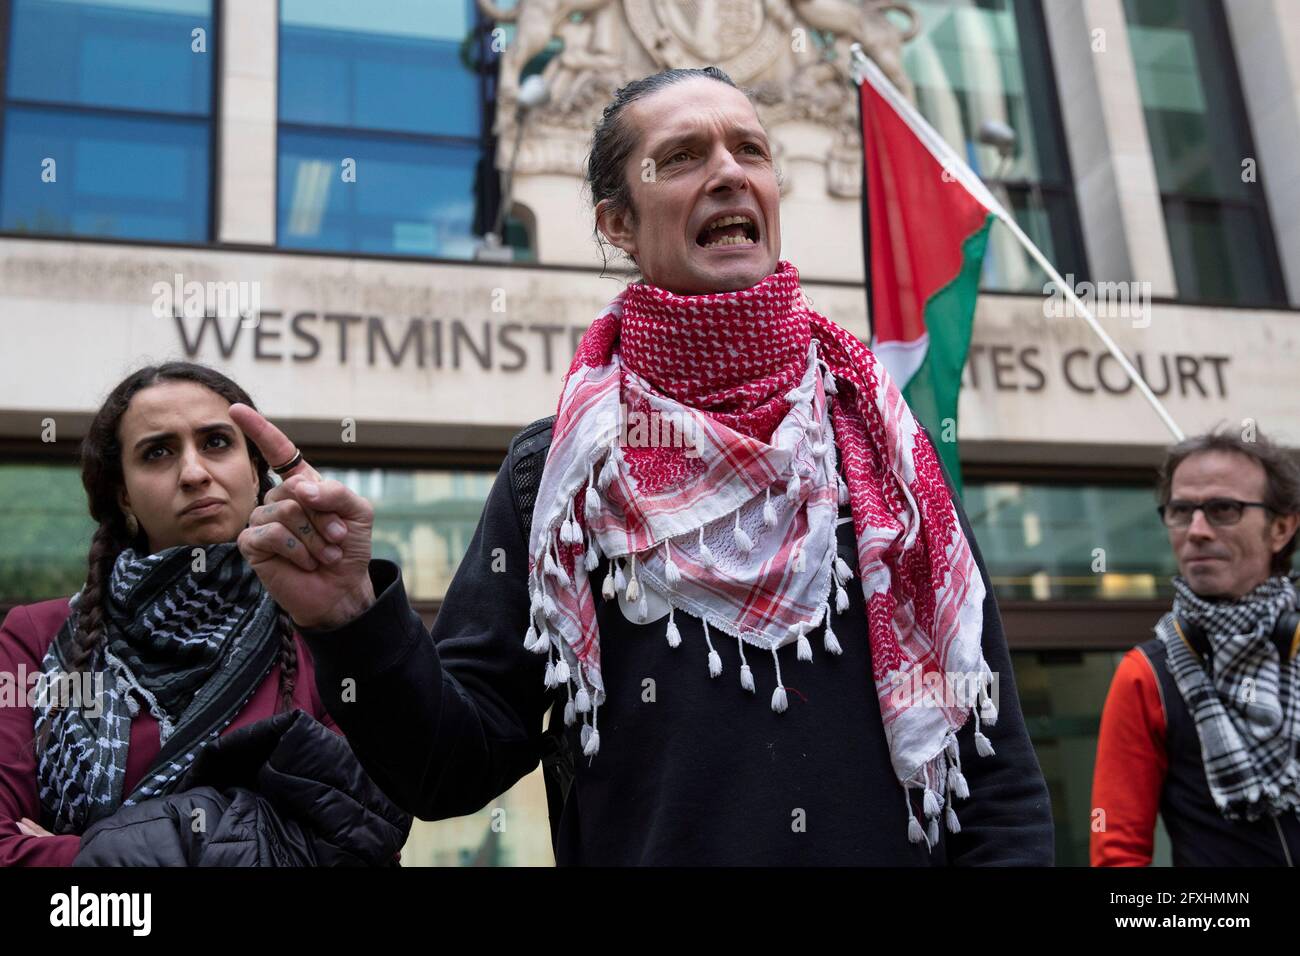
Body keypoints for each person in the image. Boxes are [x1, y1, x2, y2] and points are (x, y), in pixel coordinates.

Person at [234, 67, 1054, 865]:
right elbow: (452, 767)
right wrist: (351, 617)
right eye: (686, 156)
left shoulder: (881, 441)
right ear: (618, 225)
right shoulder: (553, 475)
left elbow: (996, 772)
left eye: (750, 150)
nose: (730, 173)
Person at [0, 362, 406, 866]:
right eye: (158, 452)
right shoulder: (35, 638)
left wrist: (91, 852)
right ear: (124, 492)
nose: (193, 473)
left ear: (257, 470)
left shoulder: (322, 627)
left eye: (216, 443)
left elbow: (361, 837)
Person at [1091, 426, 1300, 866]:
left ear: (1281, 528)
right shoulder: (1145, 675)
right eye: (1182, 510)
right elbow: (1117, 853)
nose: (1197, 530)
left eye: (1223, 509)